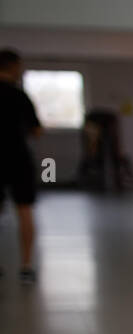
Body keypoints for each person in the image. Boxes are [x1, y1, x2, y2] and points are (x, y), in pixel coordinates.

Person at [0, 48, 42, 284]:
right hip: (17, 157)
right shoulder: (19, 96)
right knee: (24, 210)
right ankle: (26, 266)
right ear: (13, 66)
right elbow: (36, 130)